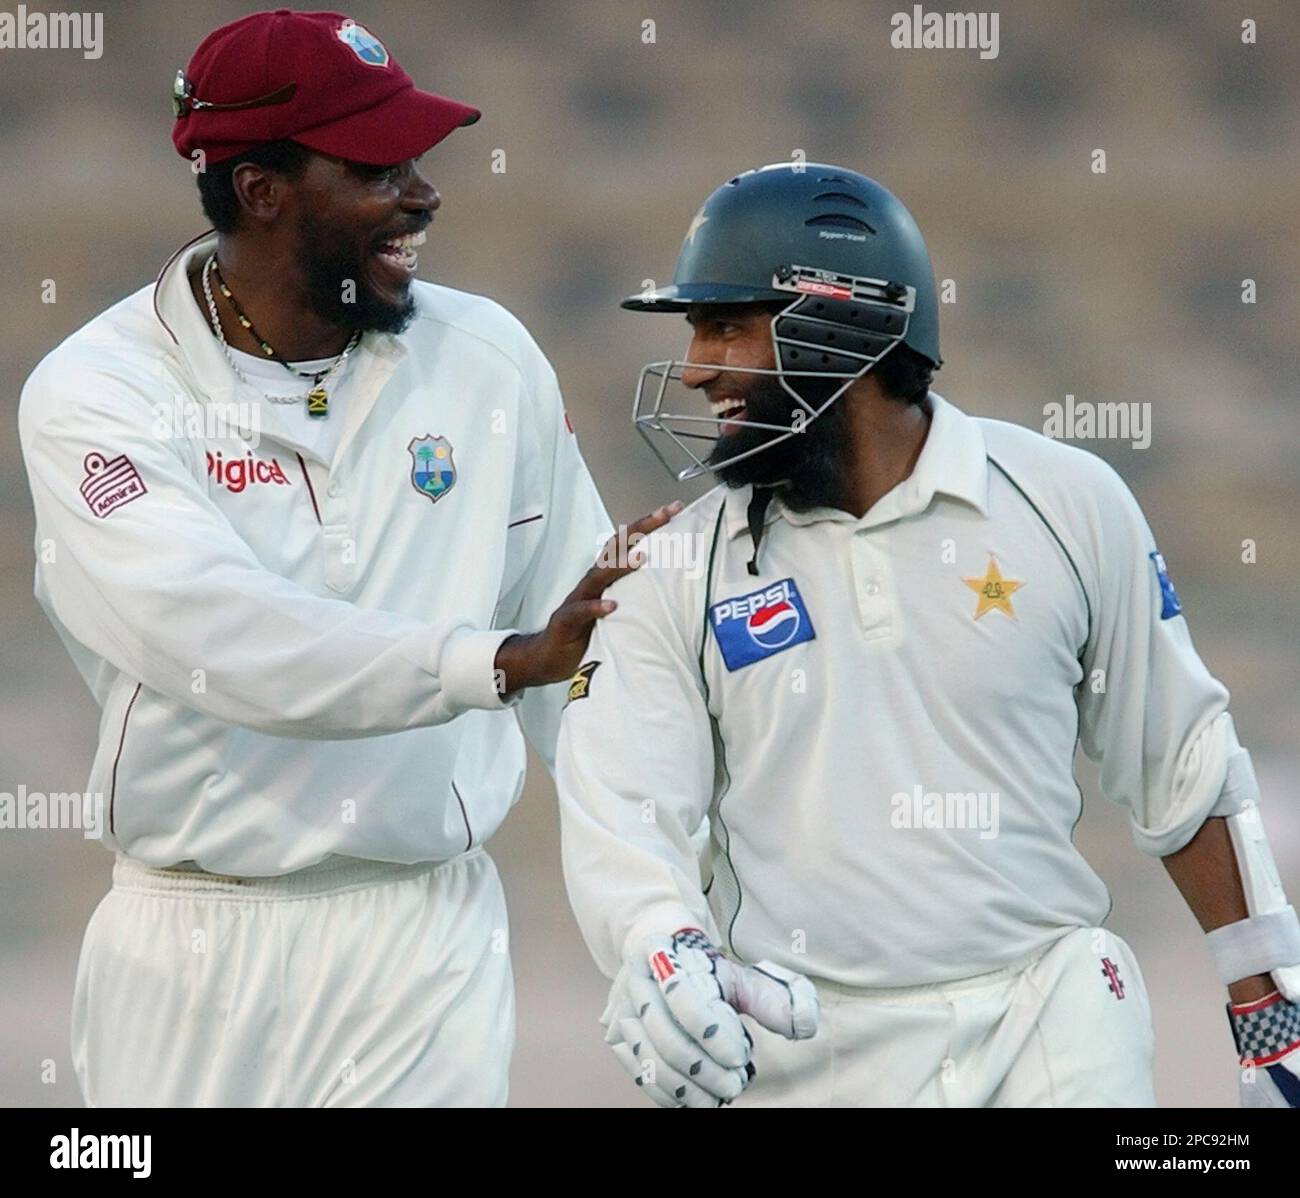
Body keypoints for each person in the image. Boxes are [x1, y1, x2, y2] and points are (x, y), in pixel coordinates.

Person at [18, 9, 676, 1107]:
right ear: (261, 192)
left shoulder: (488, 360)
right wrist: (491, 663)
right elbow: (220, 638)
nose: (421, 194)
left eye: (415, 161)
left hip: (420, 938)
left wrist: (664, 920)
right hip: (189, 942)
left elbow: (588, 674)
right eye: (376, 167)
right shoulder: (99, 393)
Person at [555, 162, 1300, 1108]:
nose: (697, 367)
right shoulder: (671, 567)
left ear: (845, 326)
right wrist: (663, 943)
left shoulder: (1066, 501)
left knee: (1094, 985)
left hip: (1047, 1017)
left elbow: (1182, 764)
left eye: (728, 326)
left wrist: (1269, 1015)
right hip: (805, 1041)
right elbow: (623, 805)